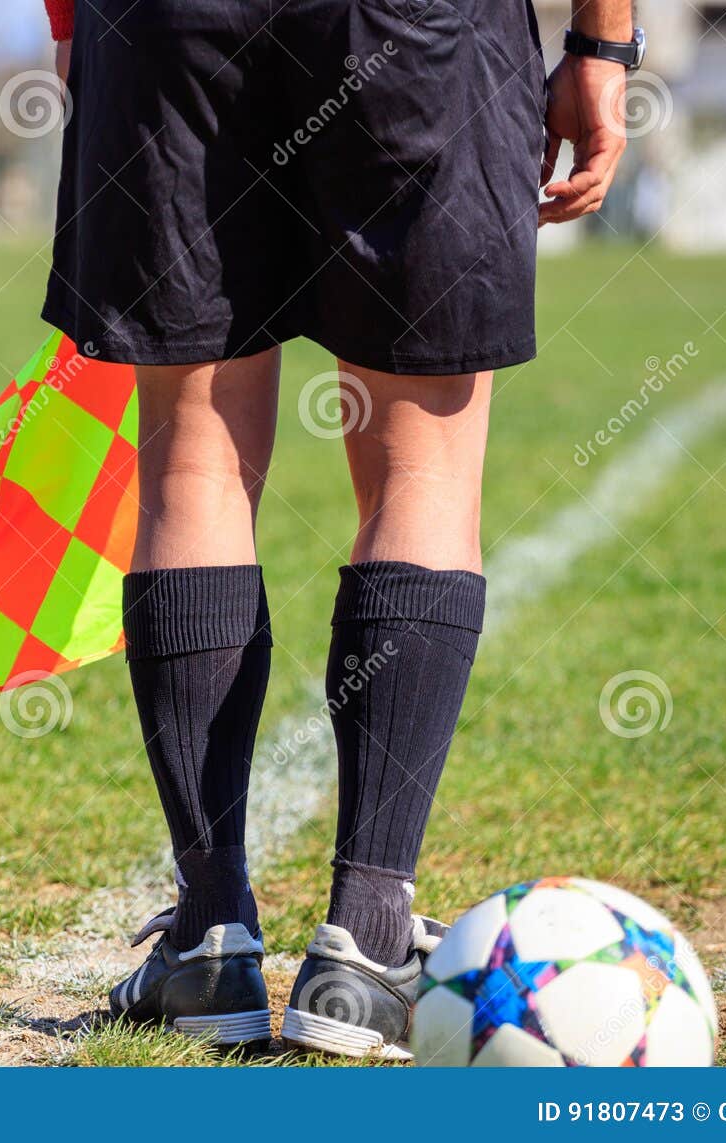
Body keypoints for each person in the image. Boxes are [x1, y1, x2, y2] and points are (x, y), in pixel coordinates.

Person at [39, 0, 635, 1057]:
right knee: (425, 465)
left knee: (194, 450)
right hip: (418, 27)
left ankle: (210, 936)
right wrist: (601, 44)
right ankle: (363, 942)